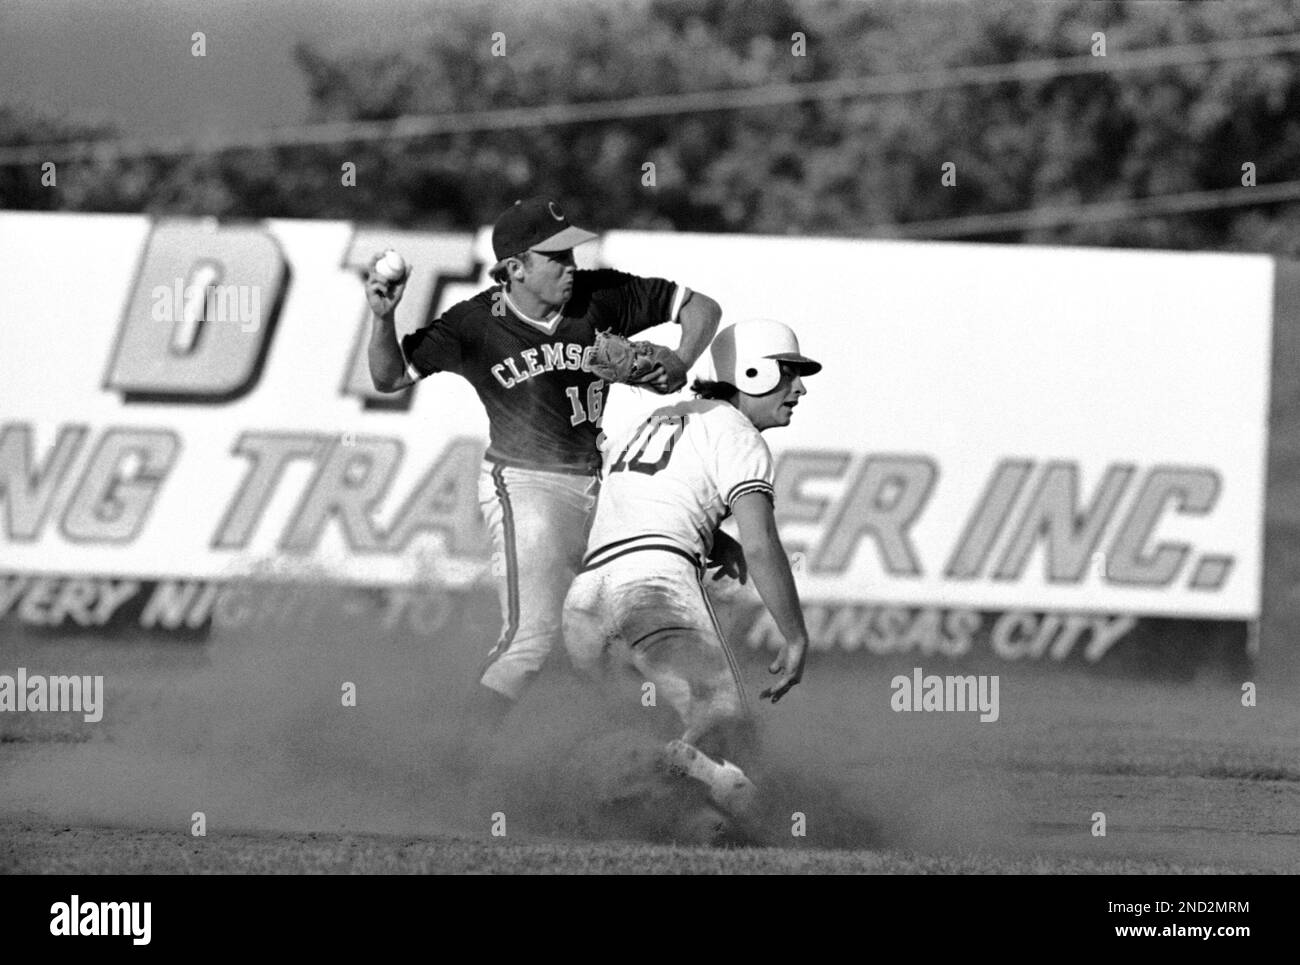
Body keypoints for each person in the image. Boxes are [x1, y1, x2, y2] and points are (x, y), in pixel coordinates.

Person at [365, 197, 721, 755]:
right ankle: (449, 762)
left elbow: (701, 306)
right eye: (554, 255)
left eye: (571, 250)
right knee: (531, 639)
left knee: (623, 625)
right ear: (514, 268)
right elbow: (388, 377)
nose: (570, 264)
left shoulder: (599, 297)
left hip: (596, 484)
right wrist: (384, 317)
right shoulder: (475, 325)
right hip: (524, 483)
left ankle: (691, 749)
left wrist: (681, 357)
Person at [561, 319, 819, 821]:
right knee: (728, 727)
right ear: (753, 372)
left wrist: (711, 536)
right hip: (653, 591)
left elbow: (611, 500)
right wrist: (796, 636)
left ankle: (665, 817)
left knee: (637, 728)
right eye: (790, 374)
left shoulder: (659, 417)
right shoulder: (739, 434)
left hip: (586, 599)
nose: (800, 388)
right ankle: (723, 796)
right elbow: (763, 545)